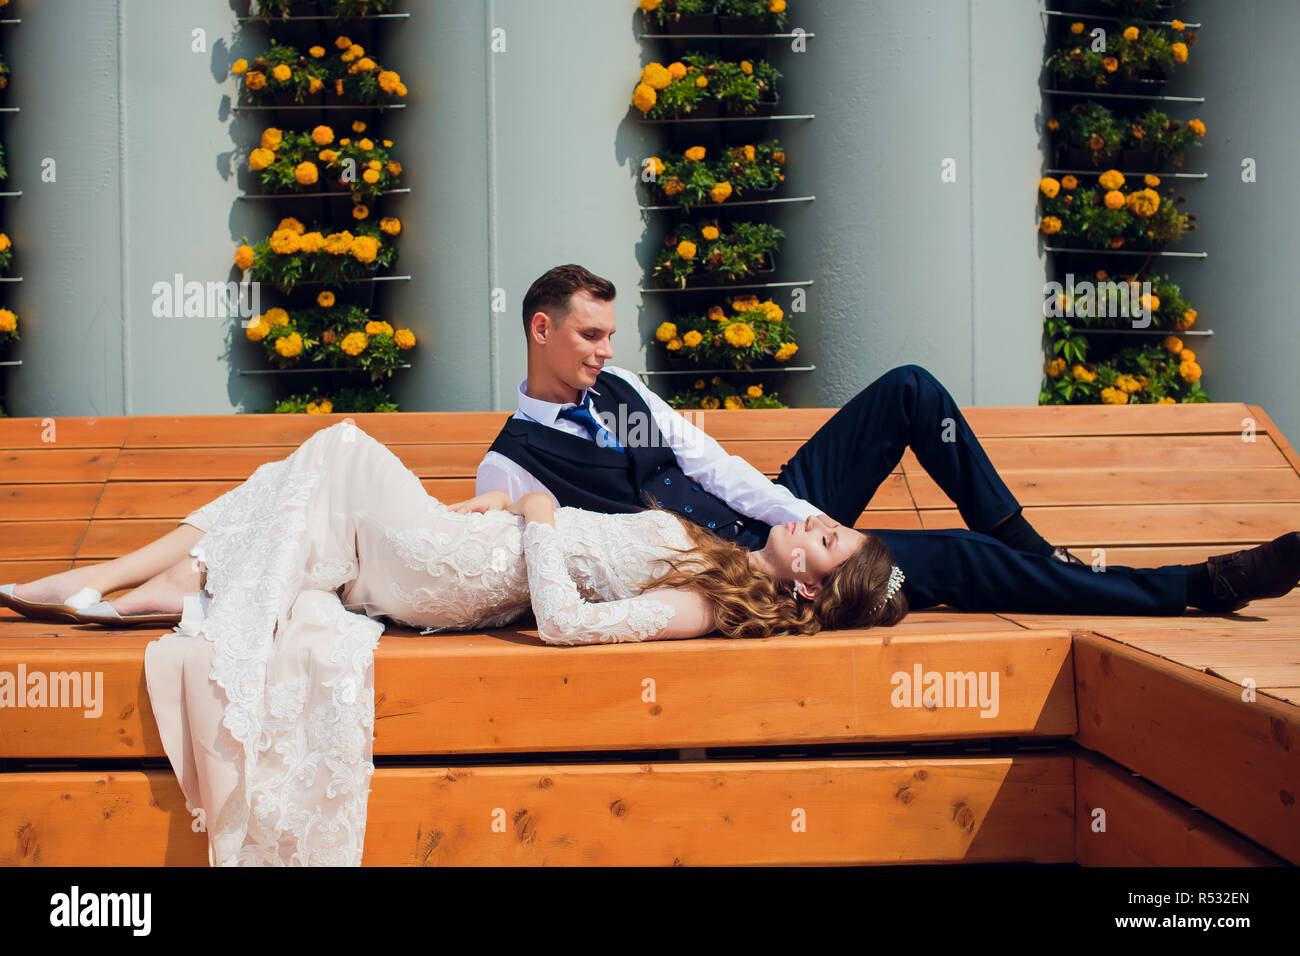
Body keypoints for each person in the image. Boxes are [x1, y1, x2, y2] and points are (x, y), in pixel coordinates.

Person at [0, 418, 908, 866]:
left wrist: (541, 517)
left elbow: (566, 624)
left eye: (830, 542)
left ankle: (117, 582)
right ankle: (128, 592)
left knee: (336, 450)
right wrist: (514, 508)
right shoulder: (718, 555)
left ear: (808, 584)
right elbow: (579, 546)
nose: (819, 523)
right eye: (832, 527)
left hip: (453, 580)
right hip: (465, 547)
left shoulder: (705, 604)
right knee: (306, 492)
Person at [475, 263, 1300, 616]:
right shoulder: (511, 462)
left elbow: (713, 465)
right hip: (744, 581)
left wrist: (815, 522)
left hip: (779, 523)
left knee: (909, 388)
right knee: (954, 563)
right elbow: (541, 569)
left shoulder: (618, 389)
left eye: (610, 335)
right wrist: (797, 556)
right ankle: (1194, 586)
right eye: (589, 336)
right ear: (541, 330)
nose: (606, 351)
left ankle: (1033, 545)